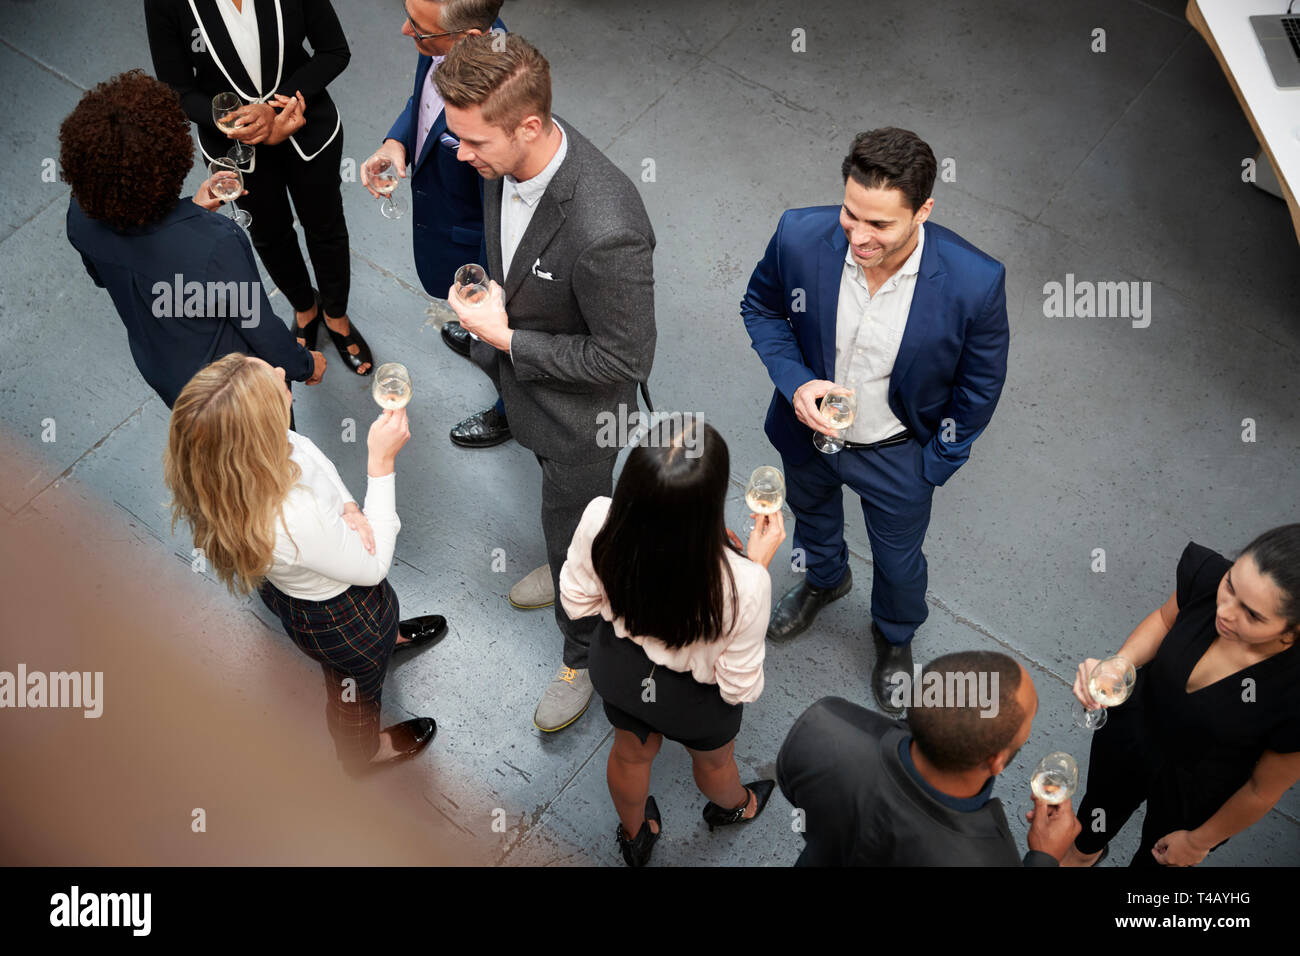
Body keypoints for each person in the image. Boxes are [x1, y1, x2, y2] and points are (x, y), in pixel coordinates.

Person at [740, 127, 1010, 716]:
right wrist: (795, 383)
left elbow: (980, 386)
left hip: (898, 450)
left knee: (898, 561)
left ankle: (894, 634)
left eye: (880, 225)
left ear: (924, 211)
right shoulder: (798, 234)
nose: (859, 237)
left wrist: (934, 464)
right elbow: (759, 306)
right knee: (811, 515)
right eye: (850, 214)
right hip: (808, 432)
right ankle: (824, 580)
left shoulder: (975, 282)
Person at [439, 34, 658, 732]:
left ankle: (582, 649)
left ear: (528, 126)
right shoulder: (508, 159)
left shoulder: (608, 227)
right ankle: (563, 560)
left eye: (472, 141)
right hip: (532, 398)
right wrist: (493, 296)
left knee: (579, 522)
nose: (460, 154)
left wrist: (504, 337)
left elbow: (625, 362)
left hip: (580, 424)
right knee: (559, 514)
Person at [163, 353, 448, 776]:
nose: (281, 370)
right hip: (341, 617)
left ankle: (386, 641)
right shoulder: (290, 519)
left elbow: (310, 456)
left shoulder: (240, 462)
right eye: (273, 378)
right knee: (354, 688)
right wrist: (381, 465)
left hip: (300, 584)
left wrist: (349, 506)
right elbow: (373, 569)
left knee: (375, 637)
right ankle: (360, 753)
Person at [559, 420, 785, 866]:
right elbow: (738, 687)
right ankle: (734, 807)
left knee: (629, 754)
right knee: (716, 764)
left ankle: (635, 835)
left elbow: (576, 602)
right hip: (692, 700)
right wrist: (753, 567)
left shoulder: (599, 516)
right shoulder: (745, 584)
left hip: (620, 670)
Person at [62, 69, 324, 410]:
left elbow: (108, 275)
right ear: (173, 154)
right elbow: (262, 331)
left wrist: (191, 211)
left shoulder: (79, 215)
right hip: (237, 394)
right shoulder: (218, 242)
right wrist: (305, 365)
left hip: (170, 380)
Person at [145, 0, 374, 376]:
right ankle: (305, 308)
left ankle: (336, 315)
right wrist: (235, 121)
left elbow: (334, 50)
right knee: (269, 236)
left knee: (326, 226)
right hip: (233, 145)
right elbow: (178, 89)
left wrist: (273, 108)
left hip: (306, 127)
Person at [1063, 527, 1300, 867]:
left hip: (1198, 790)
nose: (1225, 612)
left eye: (1252, 615)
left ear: (1292, 631)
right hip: (1135, 731)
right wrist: (1119, 665)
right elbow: (1163, 620)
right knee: (1099, 807)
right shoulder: (1207, 580)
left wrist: (1198, 841)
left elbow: (1262, 789)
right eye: (1230, 585)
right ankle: (1084, 852)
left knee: (1156, 864)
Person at [362, 0, 514, 451]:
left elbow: (505, 210)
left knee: (501, 332)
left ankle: (510, 411)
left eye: (420, 30)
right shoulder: (445, 38)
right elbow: (422, 100)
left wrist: (489, 292)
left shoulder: (498, 103)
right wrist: (396, 142)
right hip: (447, 214)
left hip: (478, 242)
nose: (406, 32)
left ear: (468, 38)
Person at [776, 651, 1081, 865]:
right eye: (1031, 718)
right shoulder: (990, 856)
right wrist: (1044, 857)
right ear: (996, 761)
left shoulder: (823, 726)